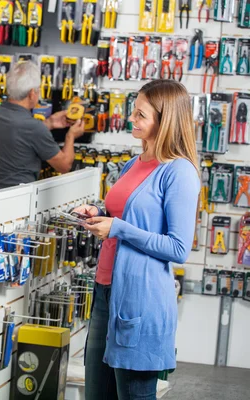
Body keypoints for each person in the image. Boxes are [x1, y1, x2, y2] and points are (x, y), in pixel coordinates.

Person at [74, 80, 200, 400]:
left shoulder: (179, 172)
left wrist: (116, 228)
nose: (132, 118)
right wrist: (98, 213)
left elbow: (178, 247)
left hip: (139, 301)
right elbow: (127, 216)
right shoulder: (135, 162)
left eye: (141, 114)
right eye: (134, 111)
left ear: (165, 120)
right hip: (104, 293)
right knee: (96, 394)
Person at [0, 60, 85, 193]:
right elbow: (64, 165)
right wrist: (71, 136)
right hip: (17, 201)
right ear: (31, 94)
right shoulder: (33, 127)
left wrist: (50, 122)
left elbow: (18, 134)